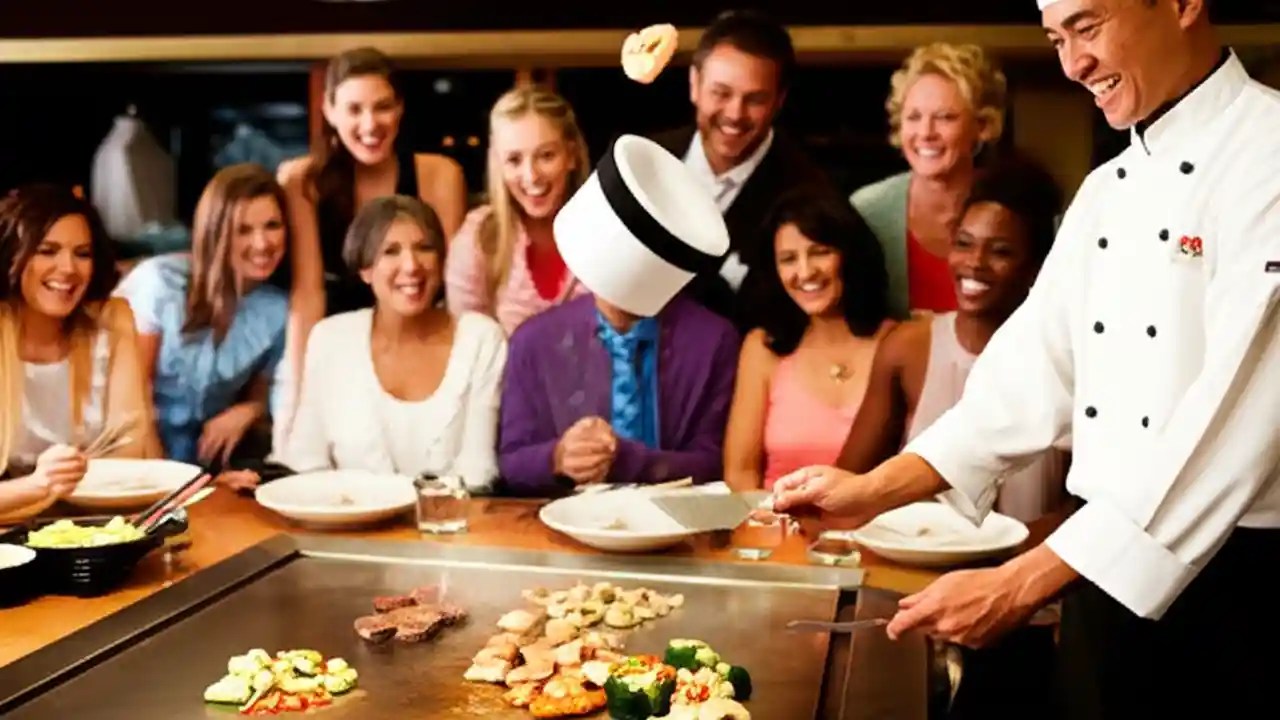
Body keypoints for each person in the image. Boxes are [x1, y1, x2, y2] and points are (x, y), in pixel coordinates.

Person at [773, 1, 1280, 716]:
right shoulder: (1108, 191)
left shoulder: (1269, 154)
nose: (1075, 65)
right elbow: (1024, 377)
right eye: (1057, 38)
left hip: (1239, 593)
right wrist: (873, 490)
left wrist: (1022, 580)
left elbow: (1233, 423)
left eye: (1089, 27)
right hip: (1099, 577)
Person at [498, 134, 739, 496]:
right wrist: (558, 457)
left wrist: (627, 460)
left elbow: (714, 462)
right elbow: (511, 462)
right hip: (563, 529)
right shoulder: (534, 341)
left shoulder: (712, 341)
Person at [836, 157, 1068, 523]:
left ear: (1037, 266)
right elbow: (851, 482)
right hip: (910, 570)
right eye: (964, 243)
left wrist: (1012, 569)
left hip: (1027, 574)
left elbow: (1085, 510)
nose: (975, 263)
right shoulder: (907, 349)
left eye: (1001, 251)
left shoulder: (1066, 362)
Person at [275, 47, 467, 445]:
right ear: (329, 111)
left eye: (382, 107)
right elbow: (307, 294)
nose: (370, 124)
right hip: (336, 357)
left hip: (416, 351)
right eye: (354, 109)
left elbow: (447, 288)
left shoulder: (439, 175)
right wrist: (295, 398)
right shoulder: (302, 181)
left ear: (400, 109)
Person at [278, 196, 506, 493]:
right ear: (365, 269)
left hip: (451, 532)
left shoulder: (481, 338)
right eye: (390, 251)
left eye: (424, 248)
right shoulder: (330, 339)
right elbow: (306, 464)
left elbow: (478, 473)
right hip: (346, 531)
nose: (411, 266)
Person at [649, 9, 837, 330]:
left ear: (780, 100)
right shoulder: (645, 160)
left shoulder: (811, 193)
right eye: (721, 93)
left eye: (755, 99)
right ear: (694, 84)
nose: (735, 114)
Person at [115, 164, 290, 474]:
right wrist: (166, 480)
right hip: (134, 449)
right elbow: (131, 399)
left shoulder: (277, 311)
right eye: (243, 229)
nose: (263, 244)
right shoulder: (161, 284)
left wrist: (248, 410)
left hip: (205, 458)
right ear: (215, 231)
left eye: (272, 225)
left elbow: (262, 394)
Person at [0, 184, 160, 518]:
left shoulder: (113, 321)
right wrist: (37, 486)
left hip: (97, 520)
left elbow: (131, 450)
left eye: (82, 253)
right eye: (47, 250)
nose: (69, 268)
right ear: (13, 254)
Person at [722, 190, 895, 491]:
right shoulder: (763, 347)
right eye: (788, 259)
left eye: (820, 252)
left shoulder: (898, 342)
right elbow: (740, 475)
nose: (805, 272)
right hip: (779, 528)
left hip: (878, 532)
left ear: (849, 254)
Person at [851, 42, 1008, 317]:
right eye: (913, 117)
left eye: (945, 117)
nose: (925, 132)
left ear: (982, 126)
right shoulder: (866, 211)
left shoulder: (1019, 211)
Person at [445, 86, 591, 335]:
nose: (531, 176)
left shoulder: (606, 227)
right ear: (498, 164)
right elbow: (469, 347)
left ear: (571, 155)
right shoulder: (479, 236)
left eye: (546, 155)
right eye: (514, 160)